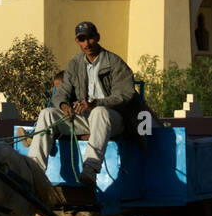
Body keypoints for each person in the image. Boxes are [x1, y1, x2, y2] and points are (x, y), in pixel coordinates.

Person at [27, 23, 139, 186]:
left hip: (113, 119)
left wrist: (94, 104)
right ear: (77, 41)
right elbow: (60, 94)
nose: (87, 44)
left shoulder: (114, 62)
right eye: (82, 39)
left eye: (90, 38)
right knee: (47, 113)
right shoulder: (75, 63)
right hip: (85, 118)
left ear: (98, 37)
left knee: (99, 111)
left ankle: (90, 169)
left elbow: (125, 94)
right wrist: (64, 106)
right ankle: (34, 171)